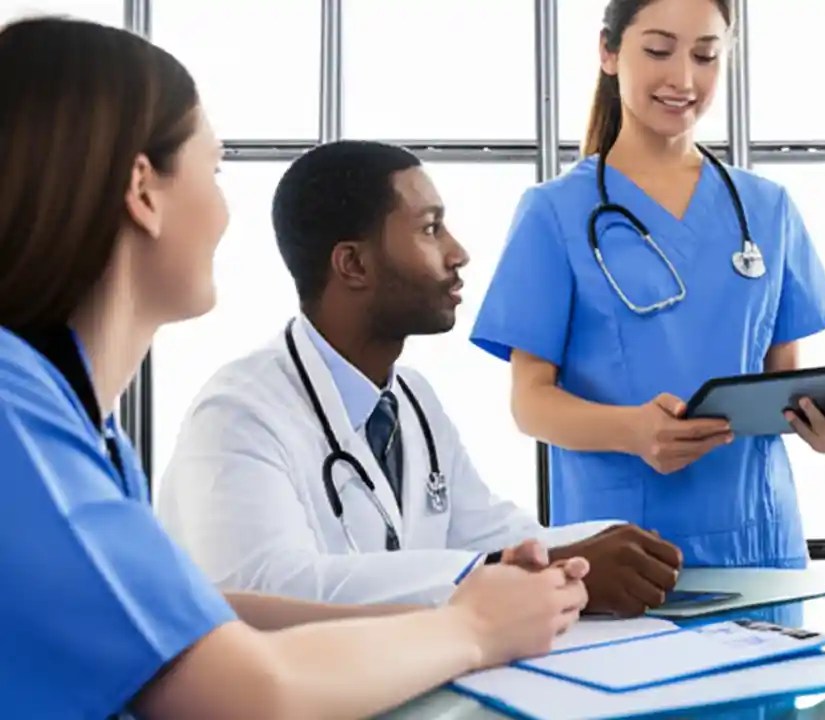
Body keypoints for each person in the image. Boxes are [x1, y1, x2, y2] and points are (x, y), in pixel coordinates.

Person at [0, 17, 590, 718]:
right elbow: (245, 692)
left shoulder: (77, 427)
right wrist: (470, 626)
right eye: (213, 169)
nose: (224, 211)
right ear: (143, 190)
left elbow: (196, 616)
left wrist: (481, 603)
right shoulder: (17, 417)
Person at [157, 139, 684, 617]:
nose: (458, 253)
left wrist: (614, 546)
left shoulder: (411, 400)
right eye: (431, 229)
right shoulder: (238, 415)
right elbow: (267, 587)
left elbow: (498, 533)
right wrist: (512, 570)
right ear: (353, 265)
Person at [469, 0, 825, 570]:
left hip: (760, 548)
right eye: (659, 50)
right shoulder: (555, 212)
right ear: (609, 53)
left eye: (706, 55)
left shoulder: (766, 210)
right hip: (620, 552)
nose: (684, 79)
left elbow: (781, 383)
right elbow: (530, 403)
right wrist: (631, 431)